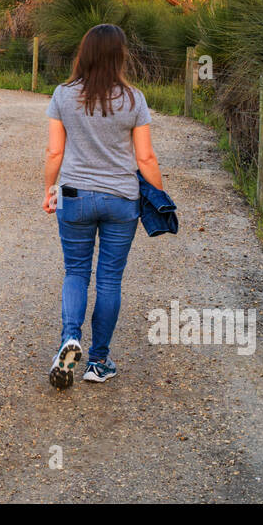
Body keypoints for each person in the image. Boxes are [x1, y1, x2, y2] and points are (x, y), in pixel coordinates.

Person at [41, 23, 165, 389]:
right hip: (121, 200)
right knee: (109, 279)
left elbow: (54, 151)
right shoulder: (133, 99)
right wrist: (161, 199)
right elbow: (146, 157)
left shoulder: (63, 95)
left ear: (85, 53)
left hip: (74, 196)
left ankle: (69, 339)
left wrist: (50, 189)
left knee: (76, 272)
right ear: (119, 56)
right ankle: (98, 362)